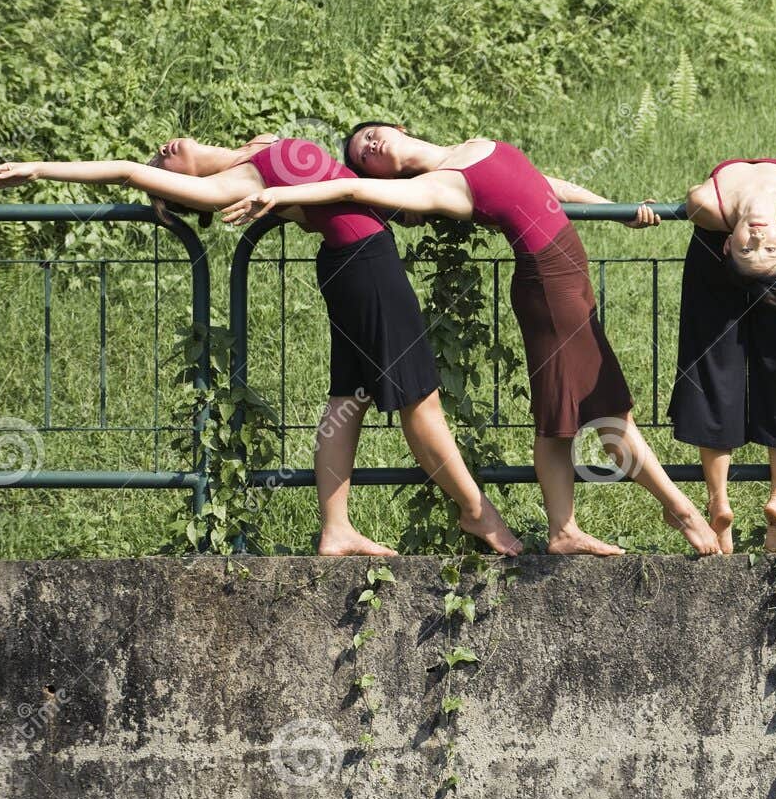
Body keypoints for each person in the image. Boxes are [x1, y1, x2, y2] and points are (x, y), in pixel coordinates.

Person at [0, 135, 522, 558]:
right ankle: (477, 512)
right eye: (160, 165)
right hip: (366, 267)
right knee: (419, 399)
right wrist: (37, 169)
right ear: (178, 185)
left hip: (354, 263)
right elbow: (124, 170)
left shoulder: (253, 151)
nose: (162, 151)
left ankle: (336, 529)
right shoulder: (229, 185)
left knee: (349, 398)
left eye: (160, 154)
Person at [219, 123, 723, 557]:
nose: (368, 146)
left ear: (397, 127)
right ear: (384, 177)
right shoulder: (438, 188)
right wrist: (278, 194)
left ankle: (565, 530)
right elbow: (349, 193)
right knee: (605, 410)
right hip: (550, 287)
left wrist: (615, 209)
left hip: (565, 281)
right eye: (362, 156)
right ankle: (678, 510)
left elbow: (543, 183)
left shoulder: (468, 148)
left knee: (562, 416)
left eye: (369, 136)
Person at [670, 157, 776, 552]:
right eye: (759, 243)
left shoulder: (709, 207)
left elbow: (692, 198)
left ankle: (726, 502)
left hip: (767, 265)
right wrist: (766, 249)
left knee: (715, 365)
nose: (758, 236)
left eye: (761, 244)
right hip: (741, 260)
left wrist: (747, 243)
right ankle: (764, 501)